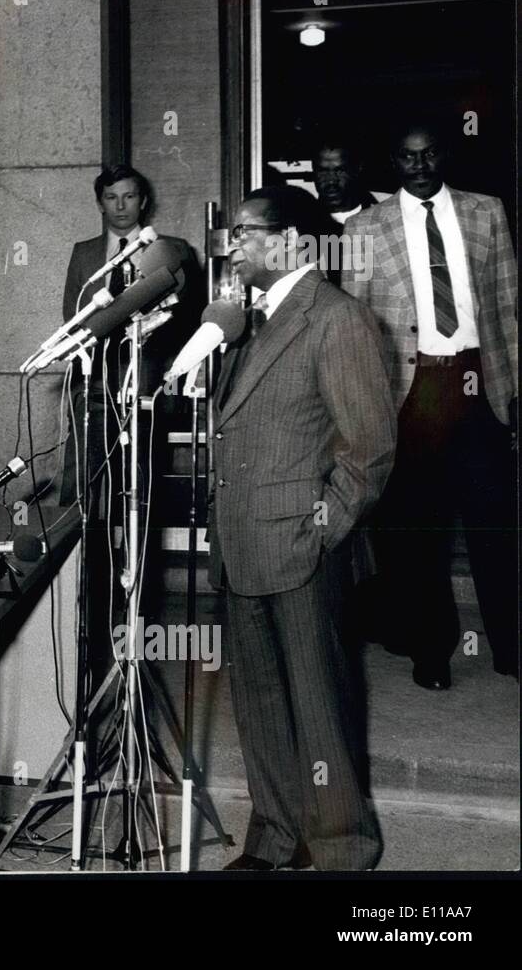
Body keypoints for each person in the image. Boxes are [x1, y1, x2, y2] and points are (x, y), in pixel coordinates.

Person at [210, 186, 395, 871]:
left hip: (301, 545)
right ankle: (277, 837)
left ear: (291, 241)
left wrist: (324, 527)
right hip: (242, 539)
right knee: (260, 706)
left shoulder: (336, 318)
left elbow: (368, 447)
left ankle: (343, 847)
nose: (231, 246)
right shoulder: (244, 319)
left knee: (320, 707)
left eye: (245, 232)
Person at [341, 118, 518, 687]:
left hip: (476, 385)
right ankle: (430, 650)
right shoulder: (365, 228)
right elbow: (356, 323)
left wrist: (514, 392)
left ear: (444, 156)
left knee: (495, 525)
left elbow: (509, 308)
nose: (419, 166)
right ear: (393, 162)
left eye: (428, 155)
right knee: (416, 529)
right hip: (410, 395)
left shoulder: (486, 211)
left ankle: (511, 647)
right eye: (406, 157)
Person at [57, 164, 202, 509]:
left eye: (129, 196)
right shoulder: (84, 252)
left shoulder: (173, 250)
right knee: (79, 482)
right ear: (100, 203)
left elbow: (186, 321)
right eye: (111, 197)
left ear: (143, 201)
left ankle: (135, 564)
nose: (120, 206)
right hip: (93, 385)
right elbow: (71, 315)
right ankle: (74, 561)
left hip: (147, 383)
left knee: (139, 487)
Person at [312, 138, 379, 228]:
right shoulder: (299, 221)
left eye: (340, 171)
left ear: (357, 169)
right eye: (322, 171)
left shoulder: (387, 213)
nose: (331, 180)